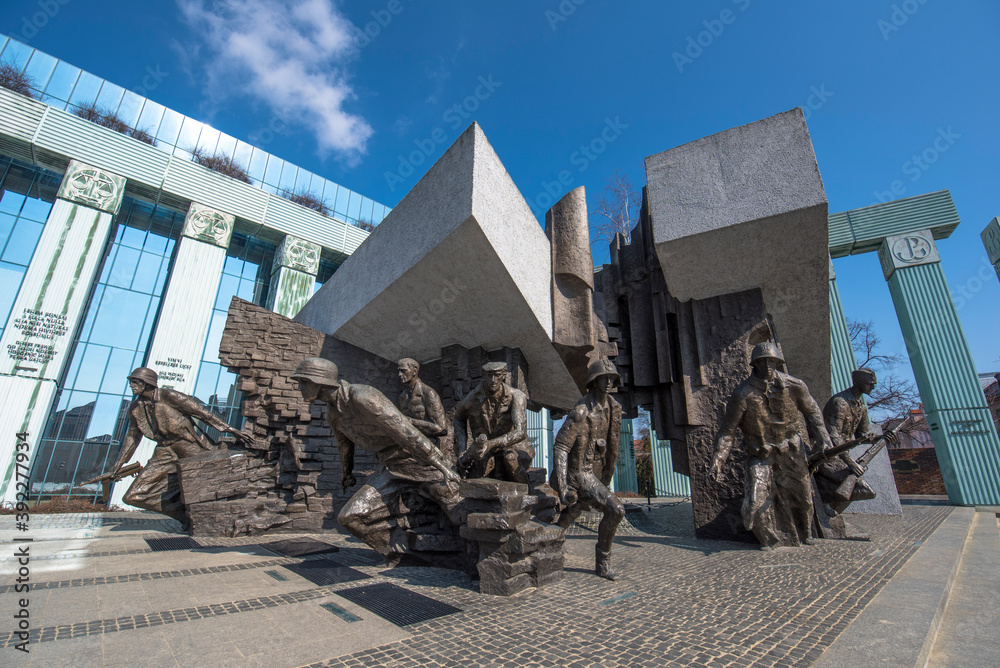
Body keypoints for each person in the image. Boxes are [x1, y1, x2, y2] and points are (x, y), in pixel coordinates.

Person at [293, 357, 461, 562]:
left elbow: (407, 432)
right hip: (390, 466)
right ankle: (409, 556)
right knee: (350, 517)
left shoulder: (363, 396)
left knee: (457, 512)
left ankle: (471, 554)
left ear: (319, 382)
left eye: (304, 382)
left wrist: (443, 466)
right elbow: (344, 445)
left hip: (418, 461)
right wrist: (346, 474)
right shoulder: (333, 414)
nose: (300, 387)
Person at [709, 343, 834, 550]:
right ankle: (769, 539)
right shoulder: (743, 394)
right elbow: (727, 431)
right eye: (762, 361)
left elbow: (812, 412)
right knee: (755, 501)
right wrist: (718, 460)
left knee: (803, 497)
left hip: (791, 452)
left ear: (778, 362)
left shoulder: (795, 385)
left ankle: (805, 534)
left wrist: (823, 438)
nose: (767, 365)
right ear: (754, 364)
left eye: (772, 361)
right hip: (761, 454)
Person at [110, 367, 253, 527]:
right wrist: (117, 465)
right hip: (164, 451)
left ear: (147, 383)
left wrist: (230, 429)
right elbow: (132, 437)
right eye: (131, 382)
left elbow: (202, 413)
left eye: (135, 382)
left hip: (190, 448)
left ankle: (205, 517)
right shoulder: (136, 408)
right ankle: (184, 515)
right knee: (133, 496)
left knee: (206, 487)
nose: (131, 385)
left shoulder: (168, 396)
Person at [551, 357, 626, 580]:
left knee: (573, 512)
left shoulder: (614, 408)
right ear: (594, 381)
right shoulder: (581, 411)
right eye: (604, 378)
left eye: (612, 378)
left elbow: (612, 446)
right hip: (579, 474)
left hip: (598, 473)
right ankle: (602, 564)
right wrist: (564, 486)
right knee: (616, 510)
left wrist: (606, 475)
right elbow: (561, 447)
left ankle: (549, 542)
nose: (609, 382)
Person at [817, 368, 893, 513]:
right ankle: (822, 503)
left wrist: (883, 438)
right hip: (827, 457)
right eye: (869, 383)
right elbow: (833, 436)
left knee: (863, 490)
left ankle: (827, 509)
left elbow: (863, 436)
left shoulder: (861, 407)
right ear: (858, 382)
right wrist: (851, 463)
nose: (873, 387)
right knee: (861, 489)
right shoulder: (839, 402)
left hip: (841, 457)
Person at [454, 361, 534, 484]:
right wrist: (462, 450)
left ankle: (528, 492)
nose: (493, 380)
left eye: (497, 375)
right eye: (489, 375)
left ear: (503, 375)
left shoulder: (516, 396)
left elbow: (520, 432)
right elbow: (458, 418)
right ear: (484, 376)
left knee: (510, 459)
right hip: (486, 449)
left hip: (513, 445)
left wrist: (490, 444)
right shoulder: (473, 396)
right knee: (476, 473)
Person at [397, 358, 452, 464]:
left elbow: (442, 429)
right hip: (409, 446)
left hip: (429, 448)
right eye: (398, 371)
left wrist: (411, 422)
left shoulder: (428, 393)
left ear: (414, 371)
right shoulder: (402, 397)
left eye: (403, 370)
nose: (399, 374)